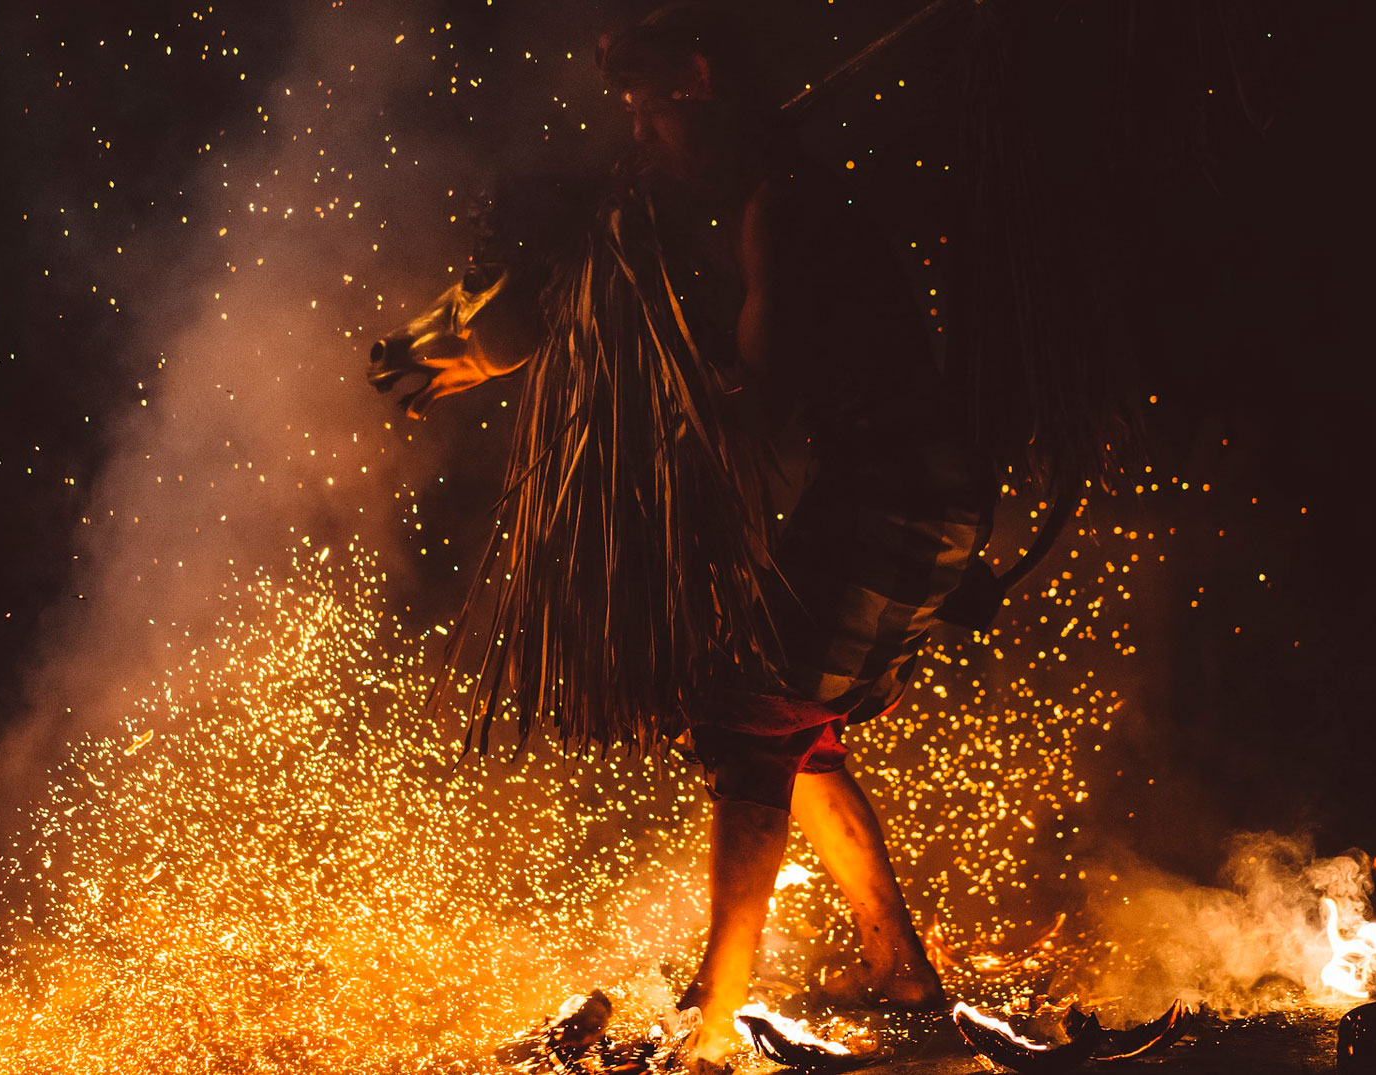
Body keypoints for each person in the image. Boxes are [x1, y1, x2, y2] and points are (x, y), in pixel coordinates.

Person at [372, 4, 994, 1063]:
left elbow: (765, 387)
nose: (637, 133)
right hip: (896, 485)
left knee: (752, 717)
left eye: (646, 108)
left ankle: (718, 1018)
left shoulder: (782, 209)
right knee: (798, 731)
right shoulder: (764, 195)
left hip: (906, 489)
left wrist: (648, 364)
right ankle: (898, 966)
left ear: (698, 83)